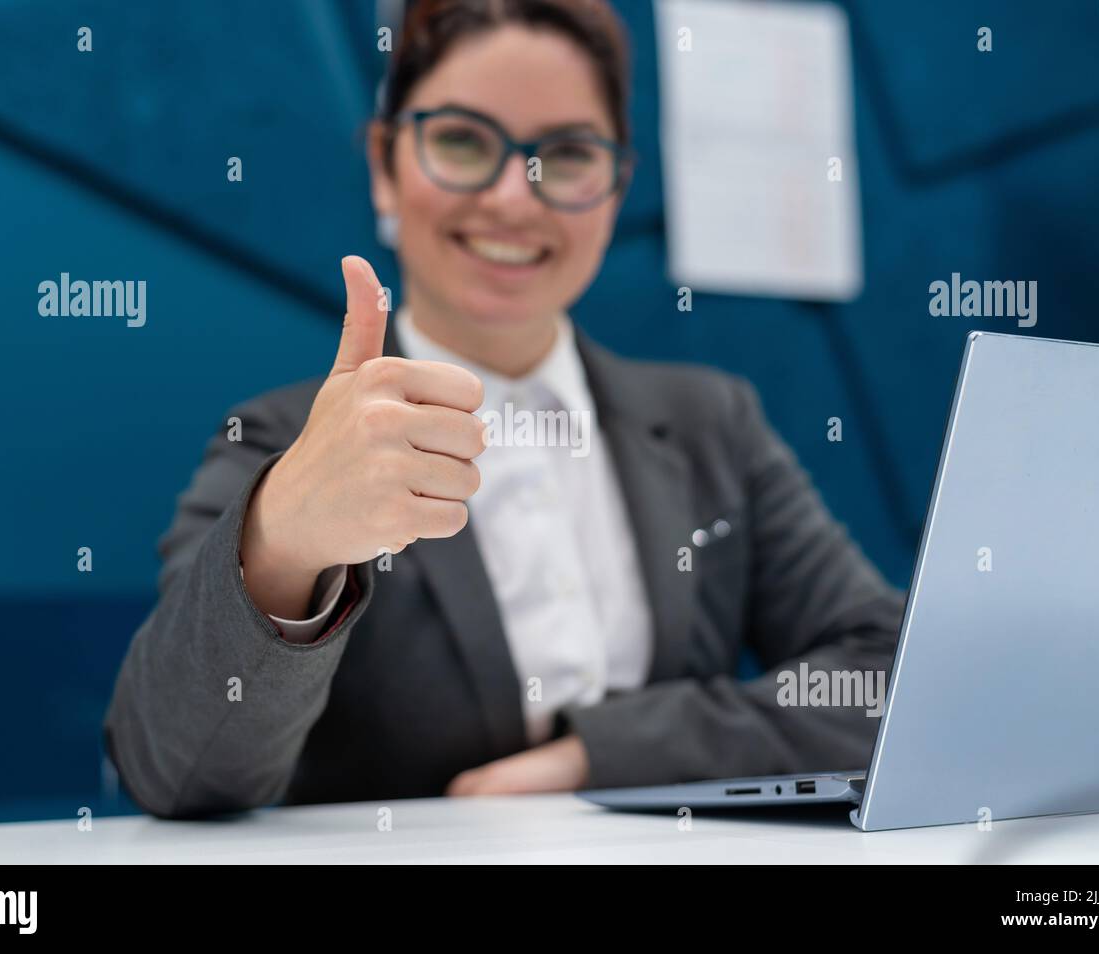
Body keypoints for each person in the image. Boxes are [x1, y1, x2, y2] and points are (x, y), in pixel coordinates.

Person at [104, 0, 904, 819]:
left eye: (565, 155)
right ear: (385, 164)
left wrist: (603, 753)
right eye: (460, 140)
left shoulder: (713, 426)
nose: (514, 202)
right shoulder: (285, 441)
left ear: (617, 186)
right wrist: (284, 540)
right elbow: (175, 773)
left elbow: (889, 674)